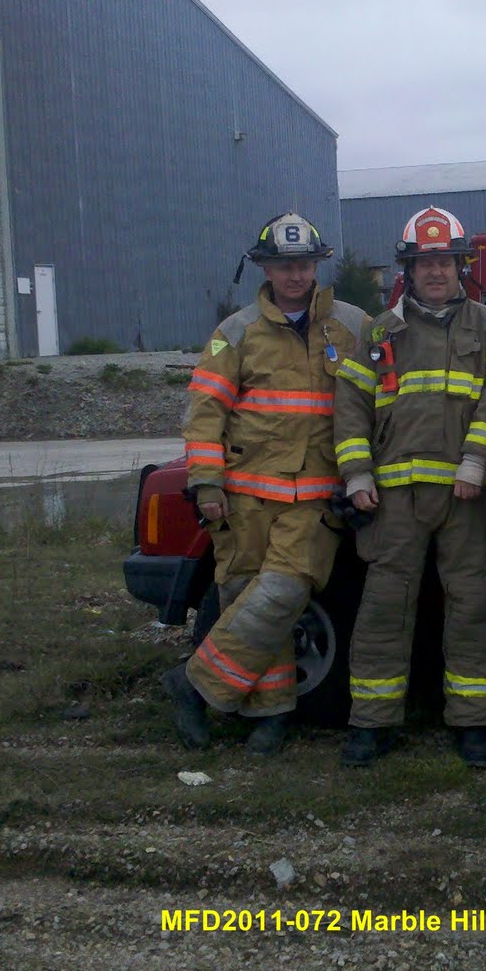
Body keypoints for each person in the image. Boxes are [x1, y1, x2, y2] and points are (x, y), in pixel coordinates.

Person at [160, 212, 367, 755]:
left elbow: (376, 399)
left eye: (304, 265)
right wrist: (207, 483)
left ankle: (192, 683)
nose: (295, 275)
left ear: (317, 266)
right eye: (284, 266)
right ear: (266, 269)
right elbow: (205, 411)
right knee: (248, 599)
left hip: (315, 496)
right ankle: (271, 716)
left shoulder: (353, 326)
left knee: (284, 592)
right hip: (244, 495)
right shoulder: (235, 332)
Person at [332, 207, 486, 768]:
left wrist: (476, 461)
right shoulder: (379, 331)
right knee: (384, 609)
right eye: (424, 263)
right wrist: (357, 473)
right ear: (408, 270)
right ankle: (372, 723)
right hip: (395, 498)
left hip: (468, 496)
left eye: (445, 261)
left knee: (474, 607)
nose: (435, 272)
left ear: (461, 265)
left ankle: (474, 722)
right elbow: (351, 406)